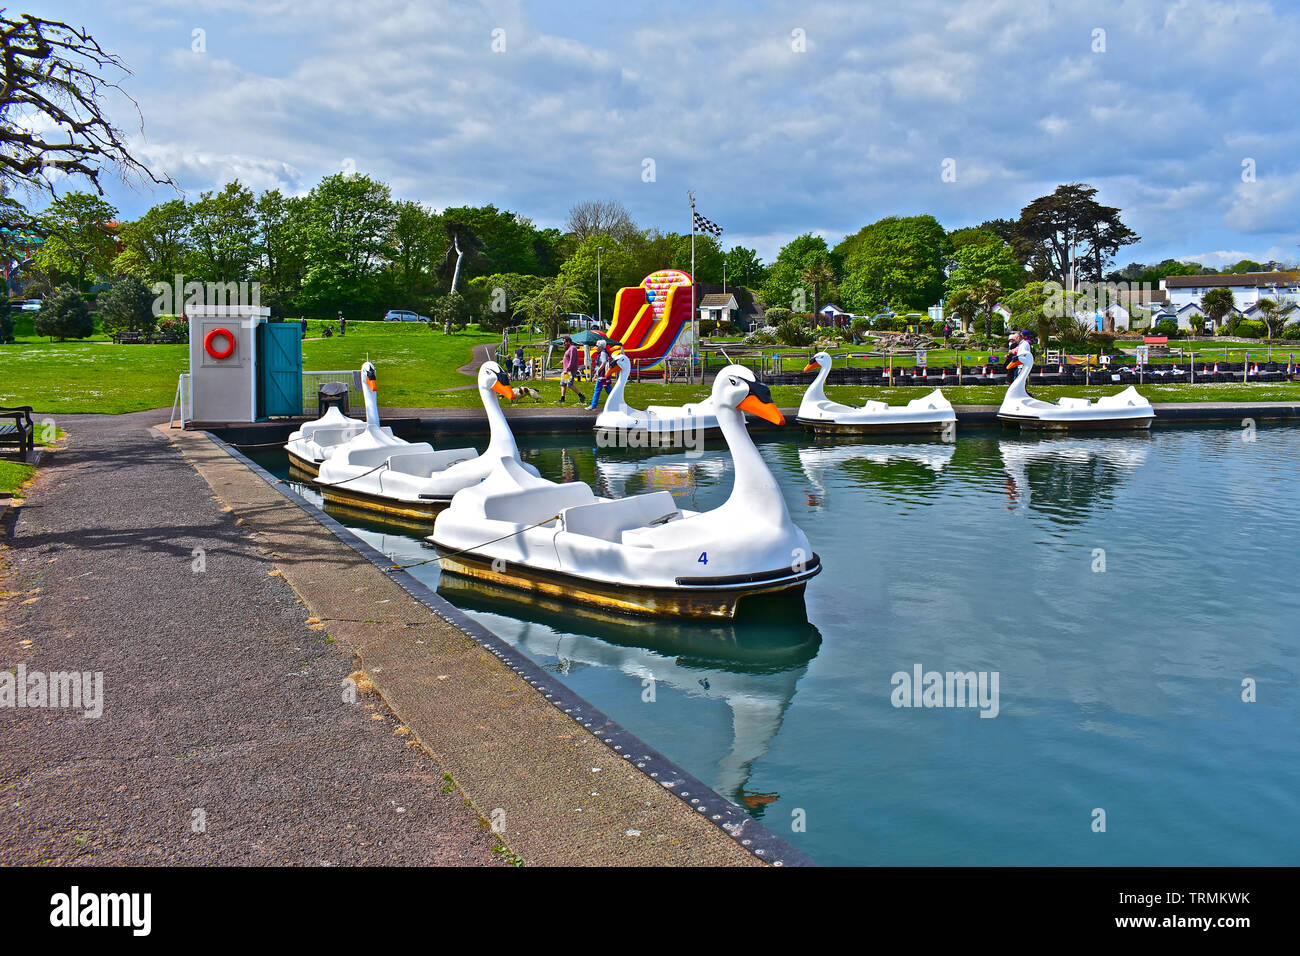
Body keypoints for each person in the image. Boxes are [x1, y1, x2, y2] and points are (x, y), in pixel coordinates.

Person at [558, 335, 586, 404]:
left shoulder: (572, 348)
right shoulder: (569, 348)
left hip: (569, 370)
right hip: (566, 370)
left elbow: (572, 360)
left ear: (569, 341)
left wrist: (567, 369)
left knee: (570, 385)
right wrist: (563, 361)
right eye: (563, 342)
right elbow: (567, 358)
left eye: (564, 342)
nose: (563, 344)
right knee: (563, 384)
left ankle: (581, 396)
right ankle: (562, 399)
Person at [588, 342, 614, 410]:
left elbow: (604, 363)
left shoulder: (602, 353)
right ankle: (616, 402)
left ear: (601, 346)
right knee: (608, 389)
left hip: (602, 375)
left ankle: (593, 405)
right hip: (604, 375)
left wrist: (597, 371)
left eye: (597, 346)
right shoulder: (605, 352)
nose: (596, 347)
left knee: (597, 389)